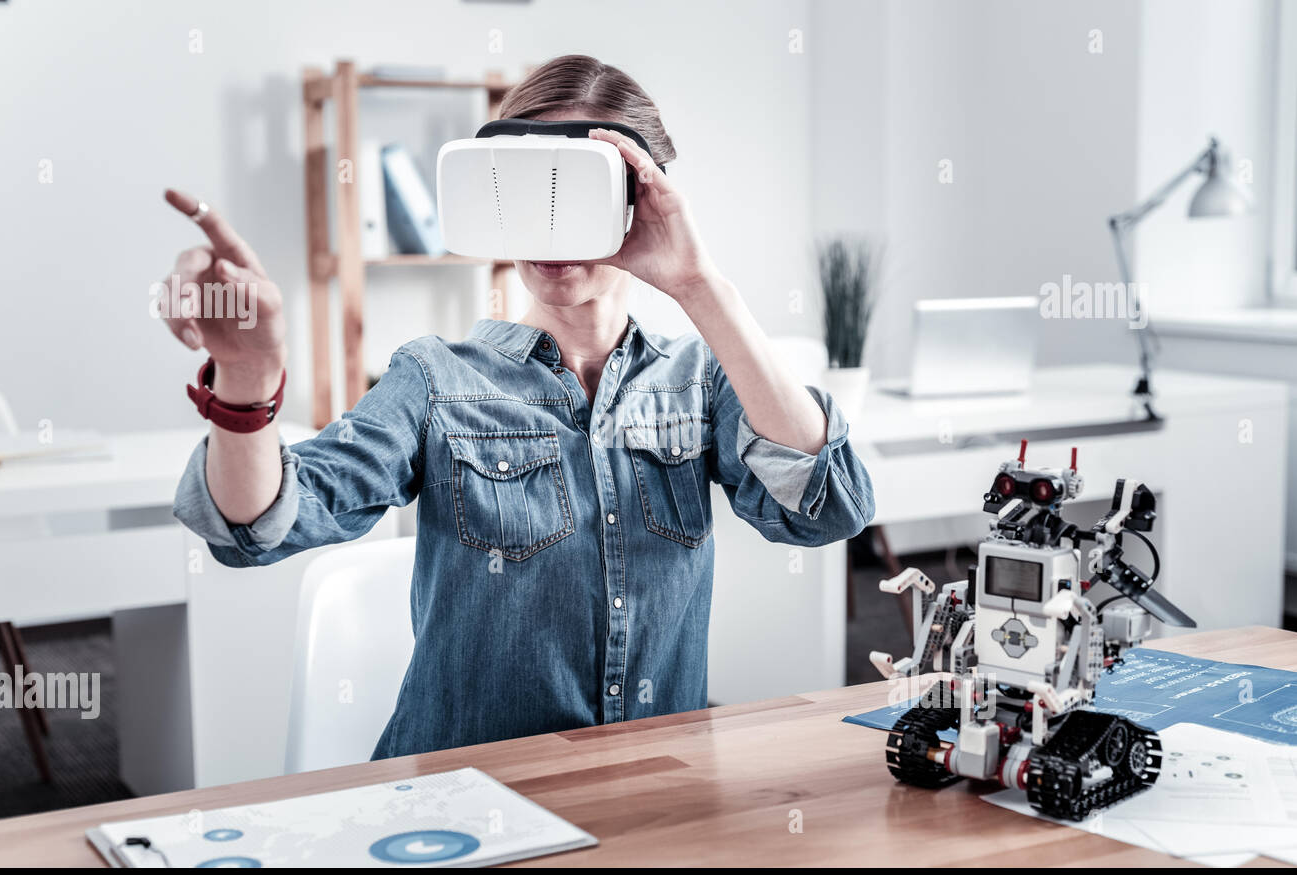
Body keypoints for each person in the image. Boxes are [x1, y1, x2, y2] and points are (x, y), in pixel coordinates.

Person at [161, 54, 874, 758]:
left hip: (655, 794)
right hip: (470, 803)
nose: (551, 224)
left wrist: (697, 285)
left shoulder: (701, 381)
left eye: (580, 191)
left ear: (644, 198)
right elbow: (257, 525)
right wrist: (246, 378)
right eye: (531, 190)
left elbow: (828, 506)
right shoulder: (437, 378)